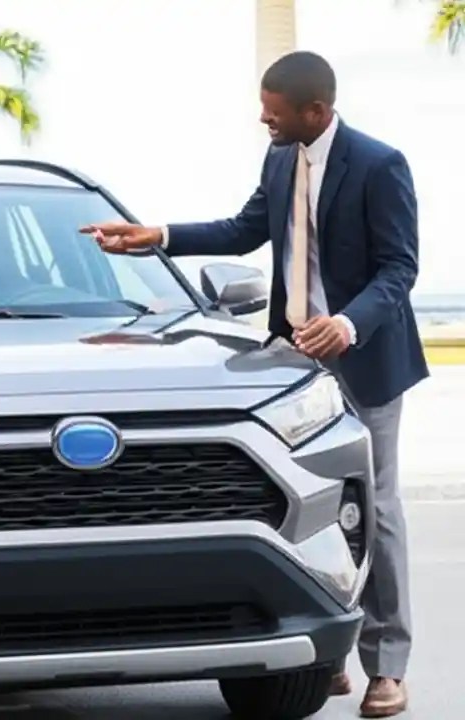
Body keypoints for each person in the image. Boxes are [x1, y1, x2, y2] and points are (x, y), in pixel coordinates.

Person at [80, 50, 425, 717]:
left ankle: (387, 666)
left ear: (314, 112)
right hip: (293, 366)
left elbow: (398, 270)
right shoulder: (279, 159)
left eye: (272, 111)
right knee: (302, 507)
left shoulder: (381, 165)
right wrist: (158, 236)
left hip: (367, 361)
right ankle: (324, 654)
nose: (261, 119)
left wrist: (346, 326)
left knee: (373, 510)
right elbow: (244, 230)